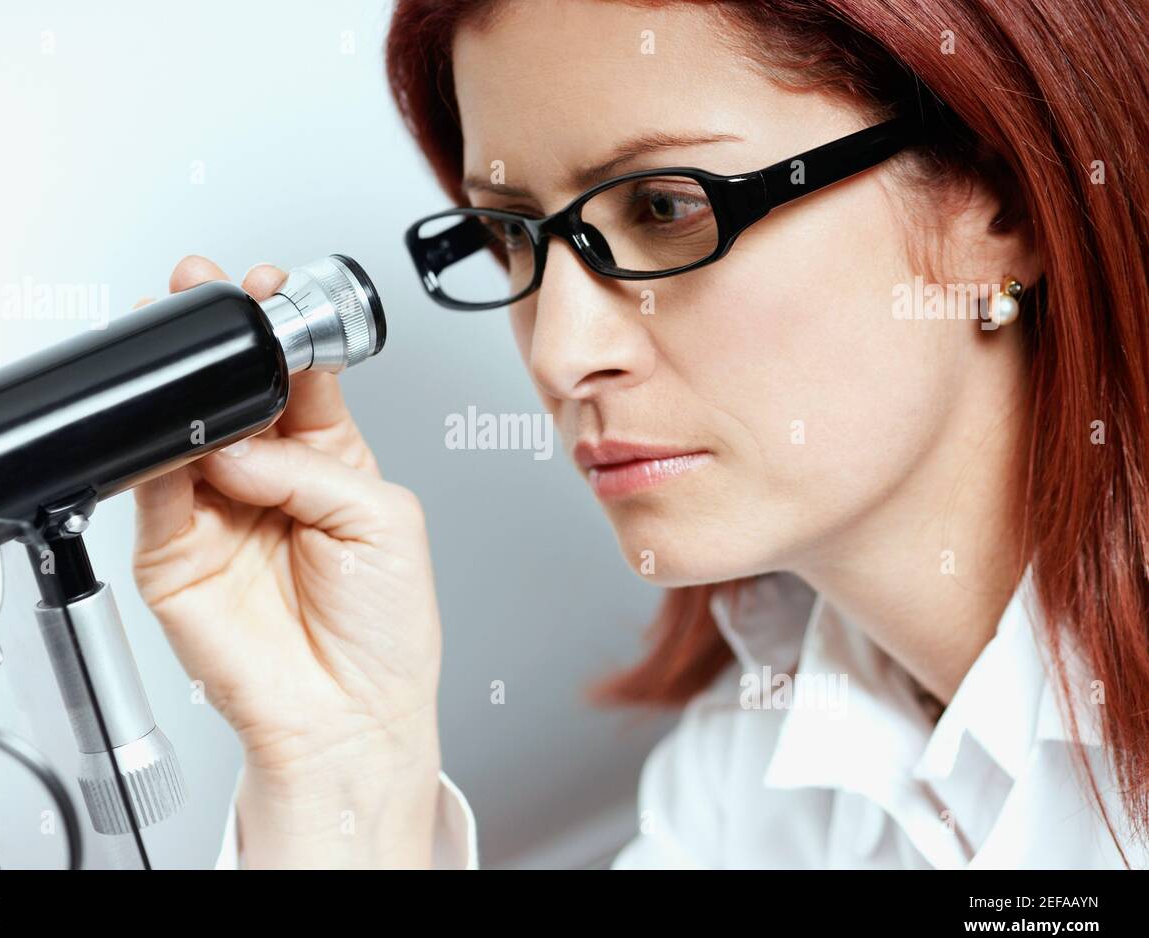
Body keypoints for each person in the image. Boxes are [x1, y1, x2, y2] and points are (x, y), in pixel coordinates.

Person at [130, 0, 1149, 867]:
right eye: (514, 234)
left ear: (996, 204)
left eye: (665, 206)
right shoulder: (747, 780)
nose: (561, 355)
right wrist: (342, 762)